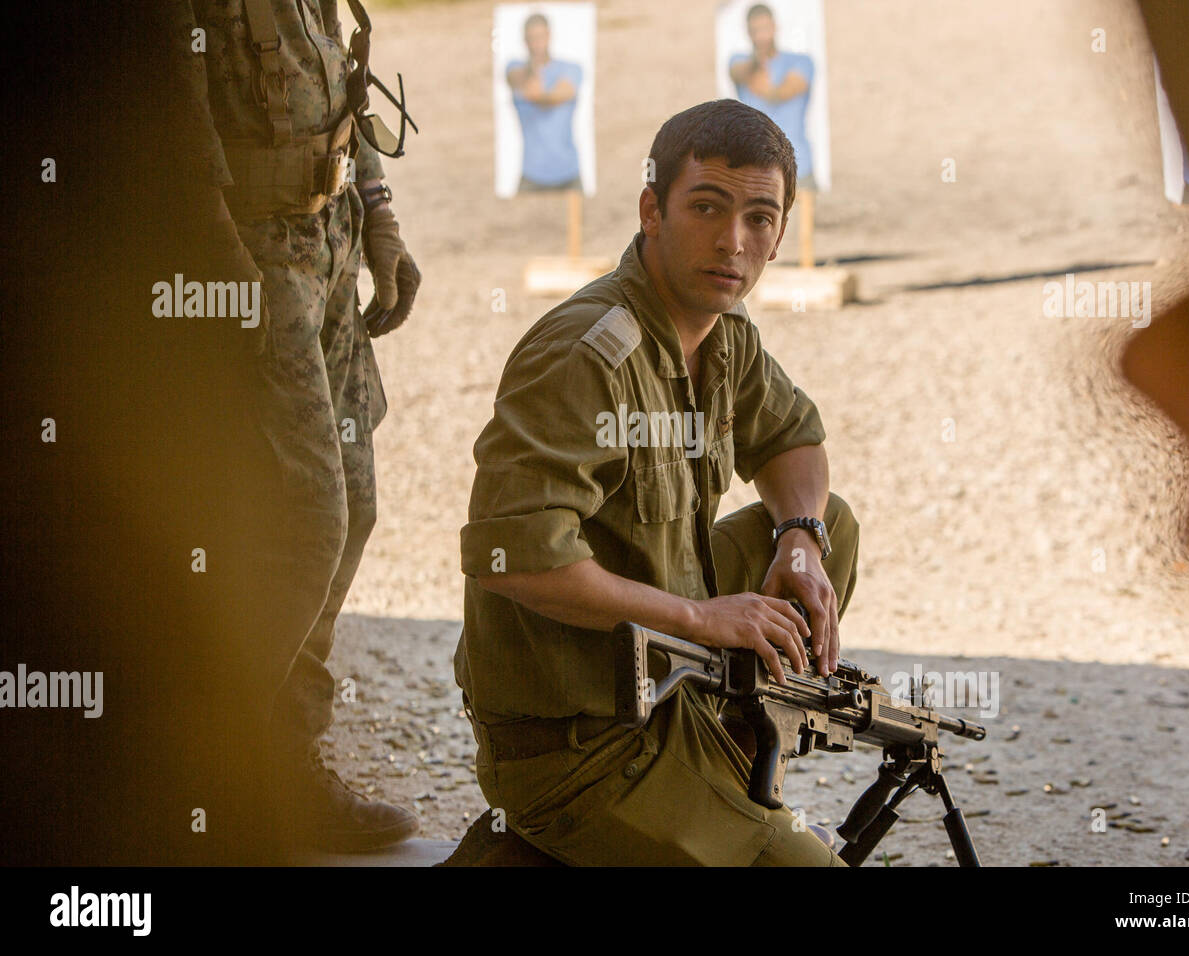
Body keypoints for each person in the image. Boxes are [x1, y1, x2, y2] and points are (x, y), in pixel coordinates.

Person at [454, 99, 859, 866]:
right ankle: (561, 838)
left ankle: (725, 759)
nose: (732, 241)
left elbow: (792, 438)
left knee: (829, 519)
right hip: (581, 748)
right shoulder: (587, 354)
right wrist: (702, 621)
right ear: (652, 210)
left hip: (669, 691)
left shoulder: (723, 336)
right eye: (706, 207)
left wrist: (800, 540)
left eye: (760, 218)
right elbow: (513, 561)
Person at [186, 0, 422, 851]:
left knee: (353, 511)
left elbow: (344, 99)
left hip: (331, 244)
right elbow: (168, 118)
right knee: (304, 520)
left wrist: (382, 219)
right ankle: (204, 771)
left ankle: (285, 765)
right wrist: (219, 268)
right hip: (254, 261)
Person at [729, 4, 815, 190]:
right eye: (756, 30)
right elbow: (738, 72)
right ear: (748, 32)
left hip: (799, 168)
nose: (762, 36)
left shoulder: (801, 61)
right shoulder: (739, 61)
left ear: (775, 27)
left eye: (765, 28)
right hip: (755, 170)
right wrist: (756, 63)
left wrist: (763, 76)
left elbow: (782, 92)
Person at [506, 12, 583, 191]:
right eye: (532, 38)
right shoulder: (514, 68)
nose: (536, 43)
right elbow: (529, 89)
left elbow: (553, 96)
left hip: (569, 175)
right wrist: (534, 68)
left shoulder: (571, 68)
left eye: (540, 37)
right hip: (531, 175)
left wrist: (537, 91)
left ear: (549, 36)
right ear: (524, 41)